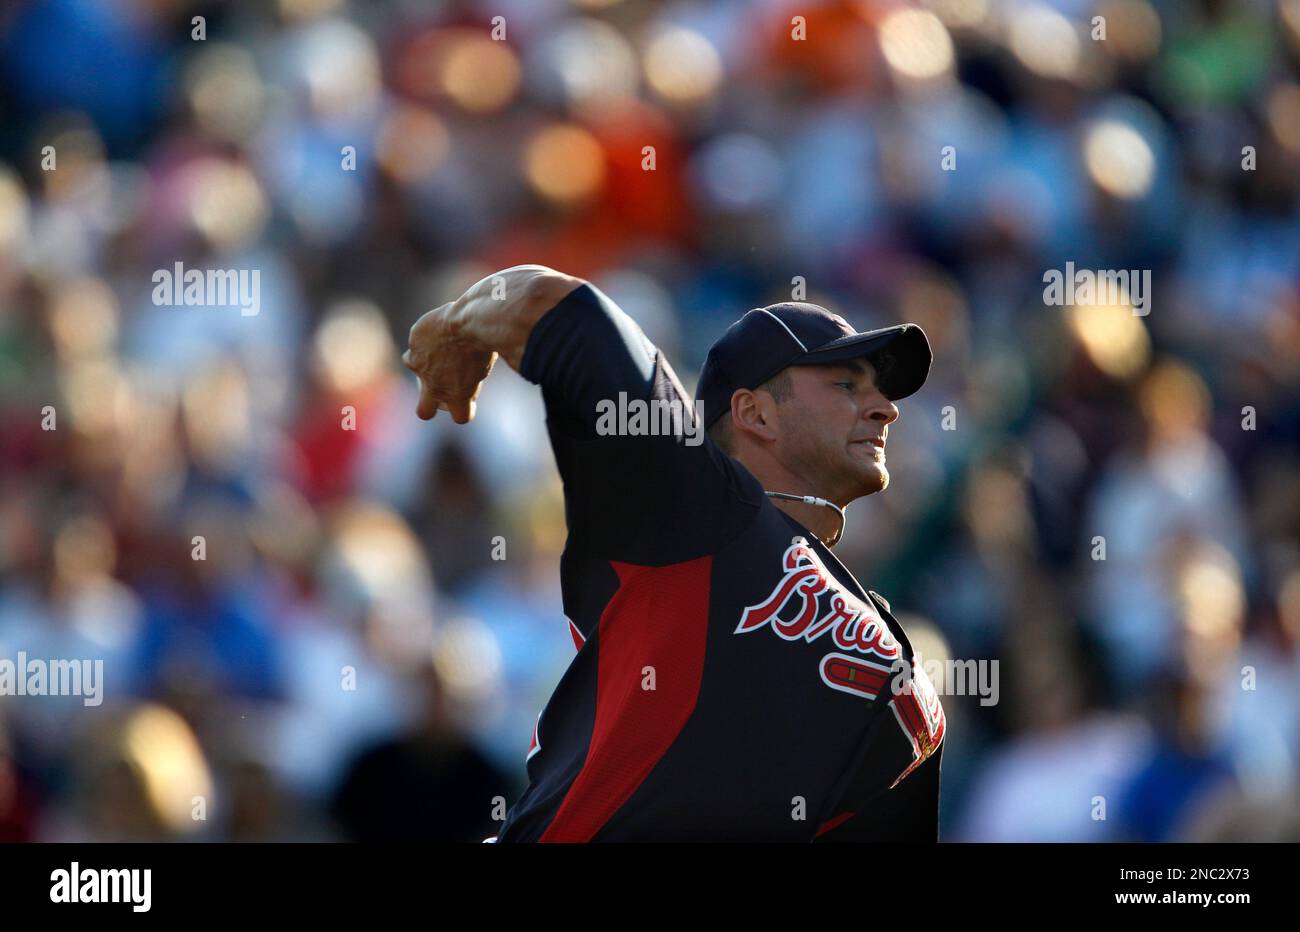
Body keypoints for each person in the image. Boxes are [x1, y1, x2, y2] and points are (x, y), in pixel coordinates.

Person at [402, 265, 944, 841]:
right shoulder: (691, 507)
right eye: (847, 385)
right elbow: (555, 304)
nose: (886, 408)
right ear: (754, 413)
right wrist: (455, 325)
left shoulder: (886, 640)